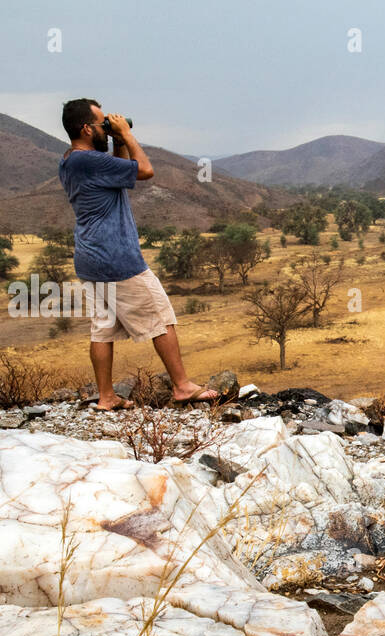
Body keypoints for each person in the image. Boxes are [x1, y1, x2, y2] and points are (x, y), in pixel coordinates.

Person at [57, 97, 218, 410]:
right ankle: (182, 386)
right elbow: (145, 169)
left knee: (102, 329)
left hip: (91, 259)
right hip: (117, 258)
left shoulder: (71, 160)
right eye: (102, 123)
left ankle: (106, 397)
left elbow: (119, 174)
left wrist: (116, 142)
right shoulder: (87, 161)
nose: (108, 126)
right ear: (88, 128)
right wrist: (128, 136)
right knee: (161, 317)